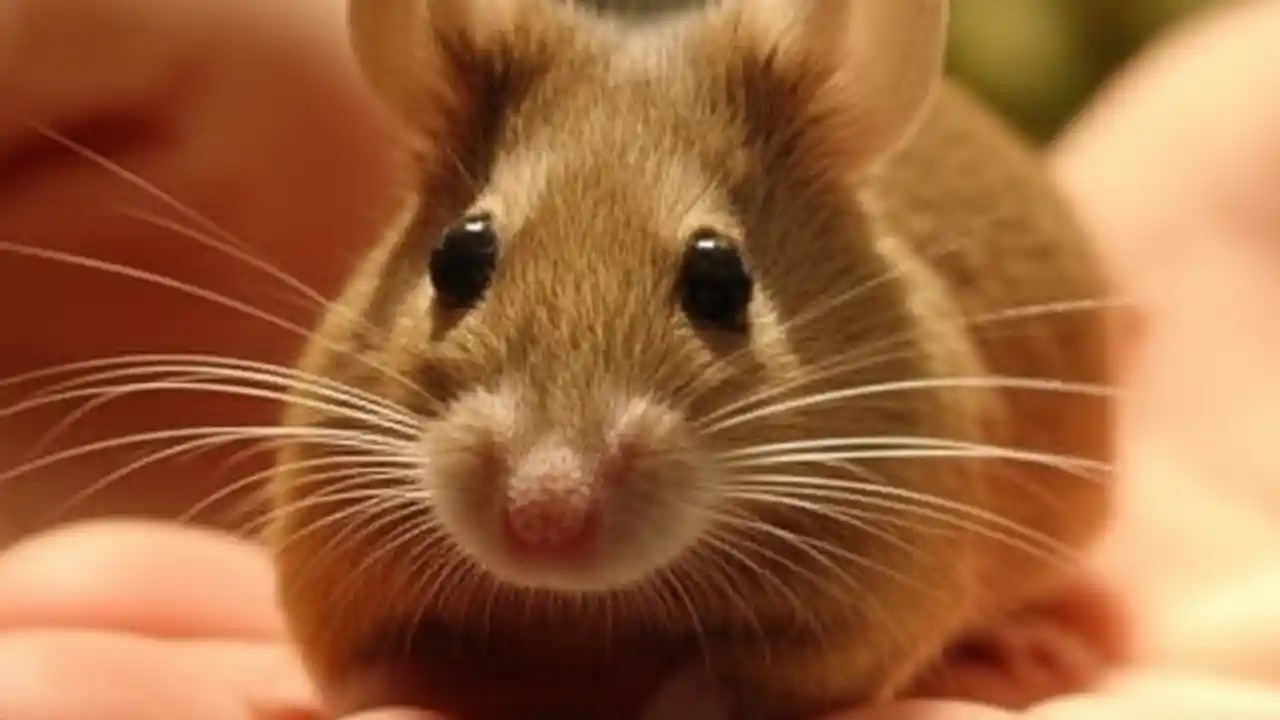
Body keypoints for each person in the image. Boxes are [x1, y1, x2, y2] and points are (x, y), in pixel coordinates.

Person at [1, 0, 1278, 717]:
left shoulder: (882, 416)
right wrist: (383, 657)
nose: (549, 490)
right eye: (463, 268)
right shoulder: (356, 407)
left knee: (1044, 510)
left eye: (712, 287)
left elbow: (870, 593)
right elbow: (334, 607)